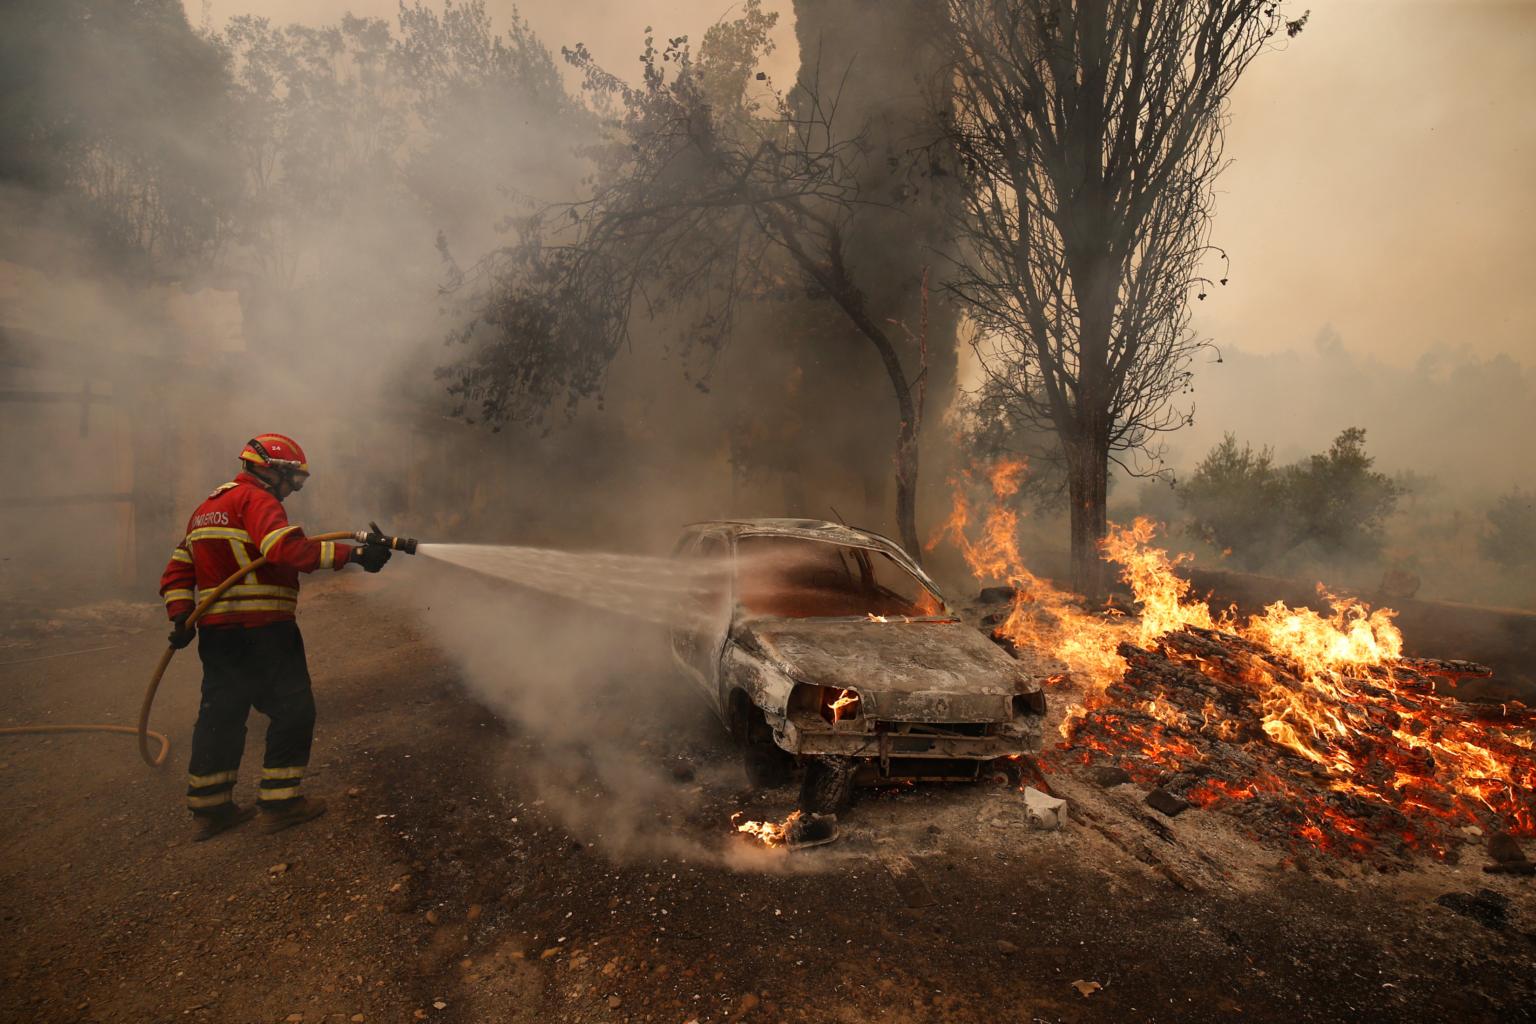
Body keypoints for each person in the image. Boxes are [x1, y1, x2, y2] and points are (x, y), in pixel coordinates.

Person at [158, 434, 393, 841]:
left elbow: (178, 569)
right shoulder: (257, 501)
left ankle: (211, 809)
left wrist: (181, 616)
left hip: (219, 637)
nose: (294, 488)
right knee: (293, 710)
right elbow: (286, 550)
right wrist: (352, 556)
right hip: (265, 631)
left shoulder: (206, 510)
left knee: (221, 715)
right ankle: (280, 804)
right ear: (271, 470)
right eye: (293, 479)